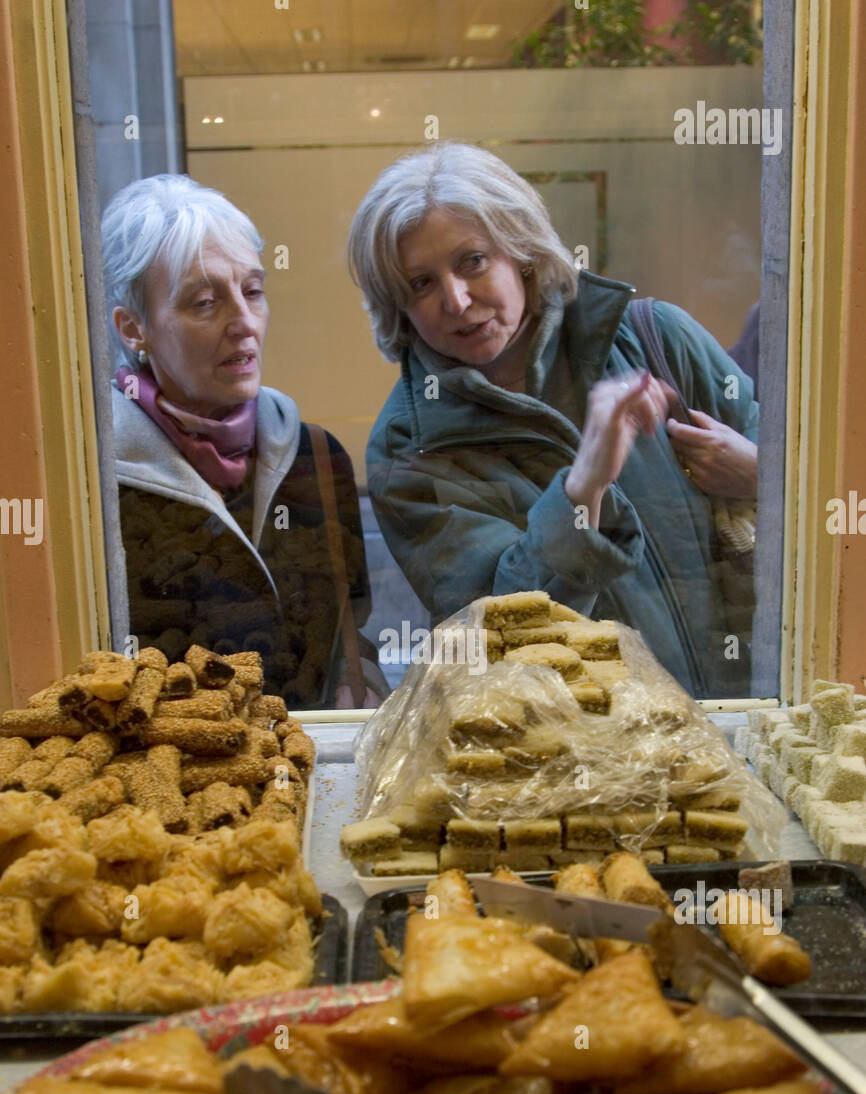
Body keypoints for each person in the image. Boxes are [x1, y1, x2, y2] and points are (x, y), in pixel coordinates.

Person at [347, 143, 759, 698]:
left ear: (521, 251)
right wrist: (583, 487)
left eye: (472, 260)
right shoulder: (408, 448)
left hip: (744, 721)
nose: (457, 300)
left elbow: (811, 502)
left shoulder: (658, 337)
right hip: (580, 761)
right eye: (421, 284)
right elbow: (508, 641)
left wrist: (760, 472)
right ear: (397, 305)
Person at [102, 173, 386, 709]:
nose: (244, 322)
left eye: (253, 292)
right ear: (133, 328)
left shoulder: (318, 458)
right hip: (174, 779)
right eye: (206, 302)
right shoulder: (95, 479)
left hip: (308, 766)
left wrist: (362, 686)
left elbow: (348, 634)